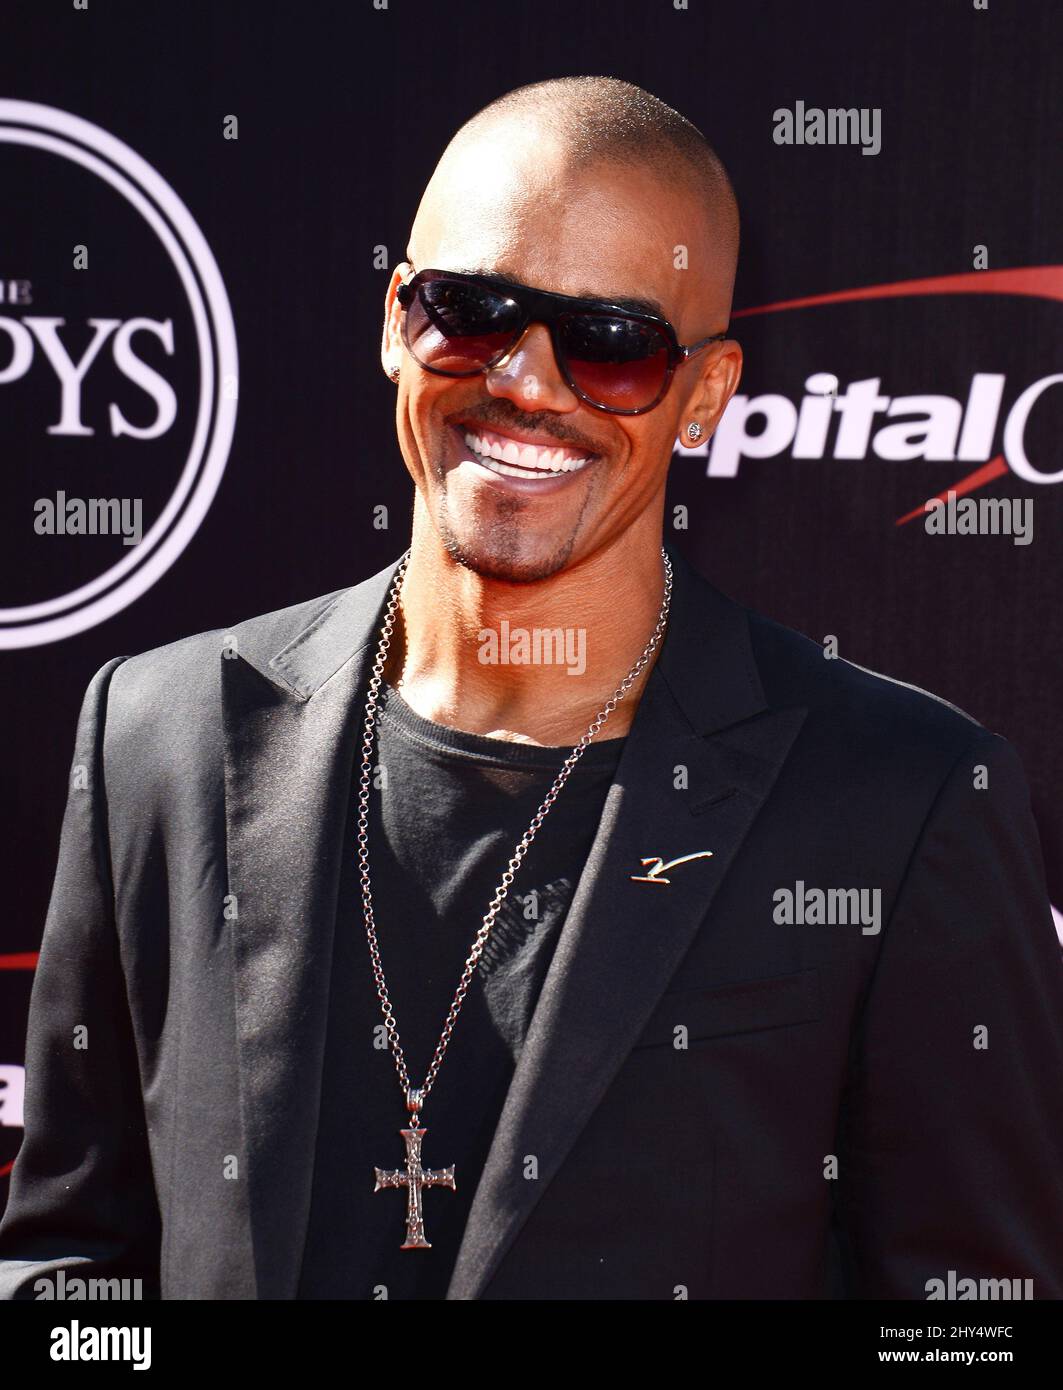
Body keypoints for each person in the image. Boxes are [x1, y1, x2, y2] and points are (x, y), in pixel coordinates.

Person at [2, 75, 1062, 1301]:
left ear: (706, 394)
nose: (525, 381)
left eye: (611, 345)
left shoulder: (896, 797)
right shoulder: (160, 735)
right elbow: (71, 1278)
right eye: (472, 310)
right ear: (397, 317)